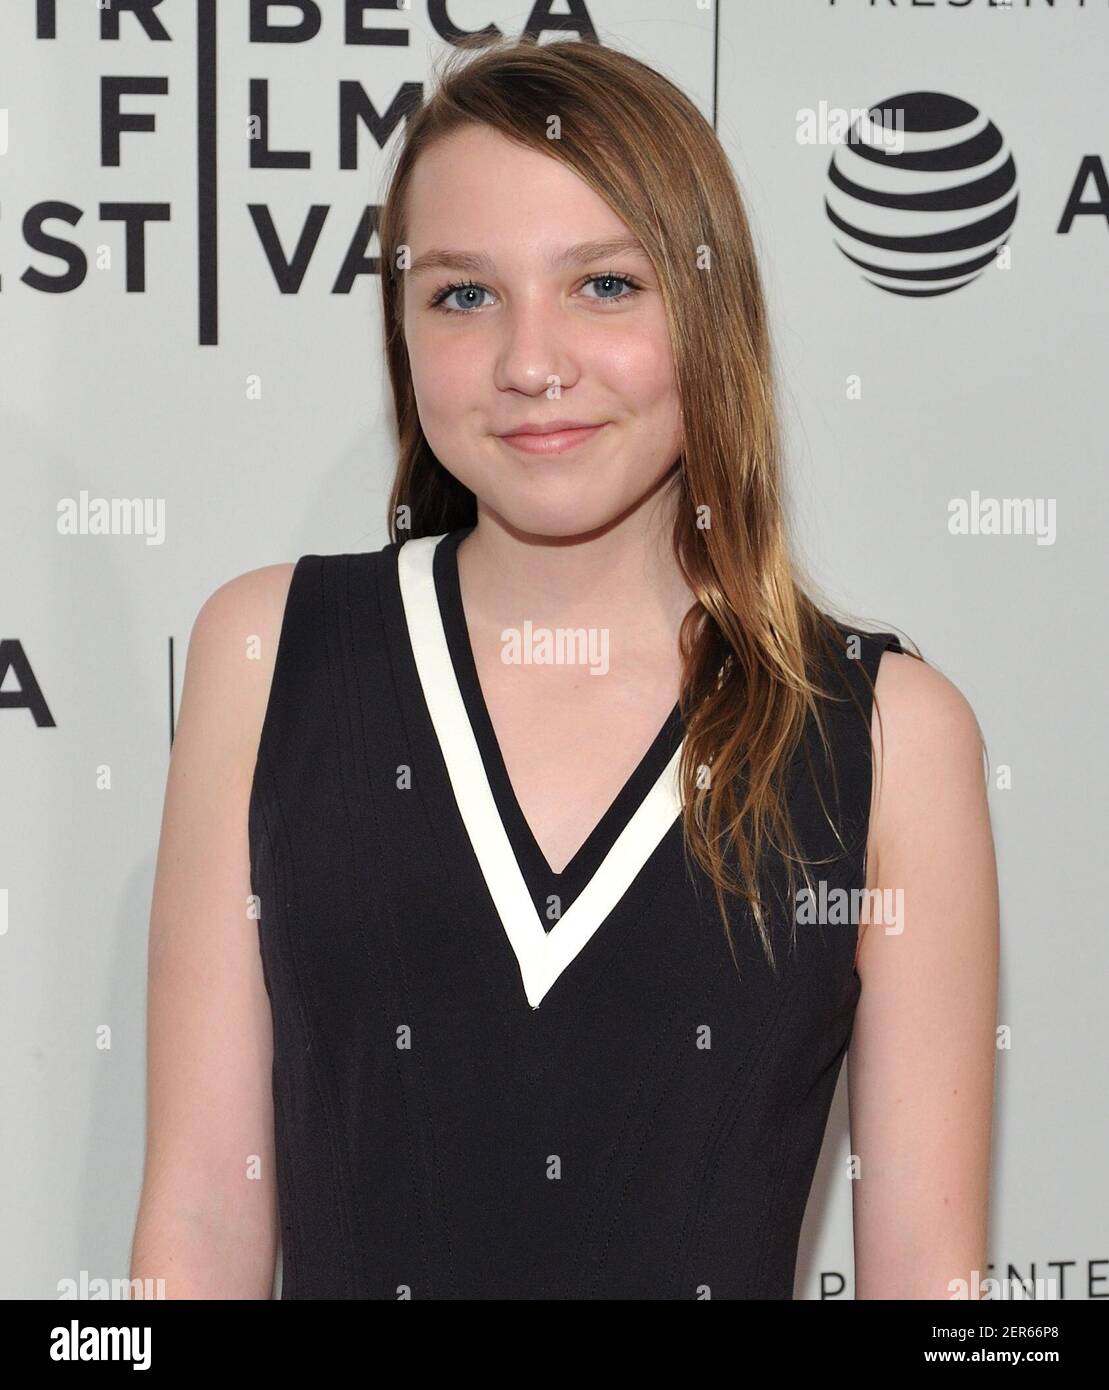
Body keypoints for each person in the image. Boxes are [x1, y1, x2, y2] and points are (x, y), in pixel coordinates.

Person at [130, 35, 999, 1300]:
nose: (531, 362)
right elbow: (202, 1222)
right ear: (402, 330)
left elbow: (930, 1289)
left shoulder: (882, 731)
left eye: (602, 284)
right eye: (463, 295)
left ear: (706, 309)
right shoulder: (266, 652)